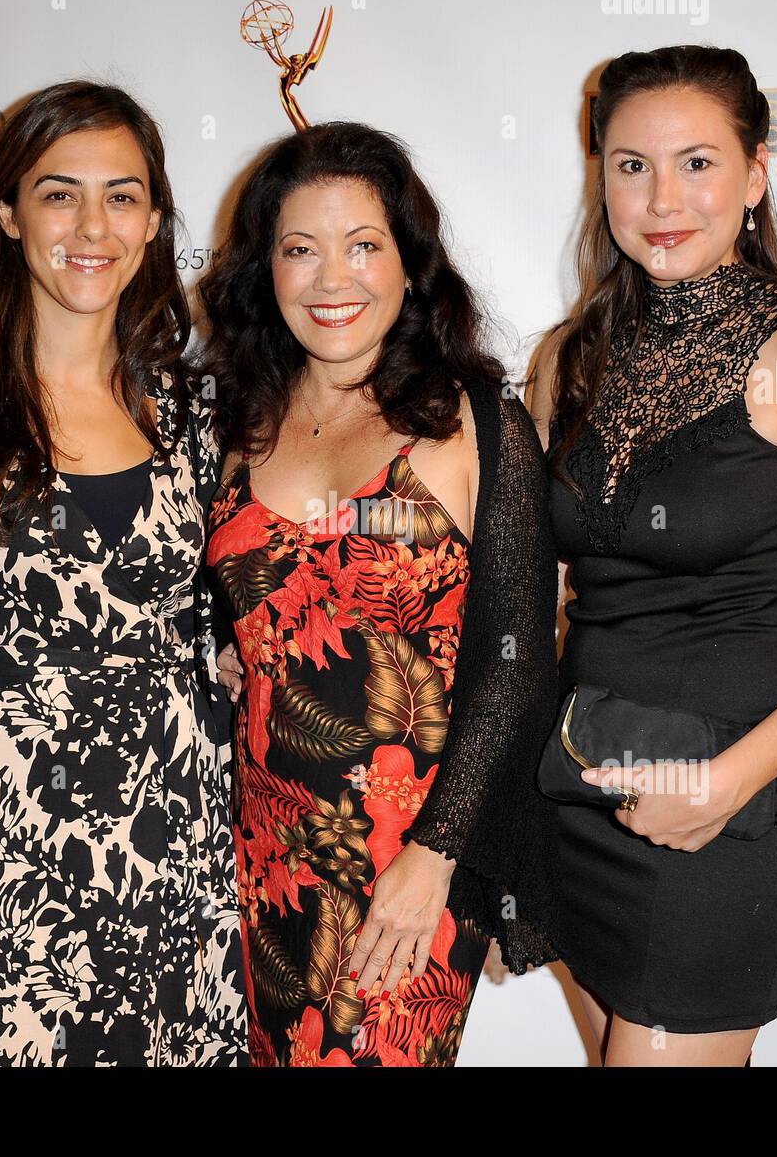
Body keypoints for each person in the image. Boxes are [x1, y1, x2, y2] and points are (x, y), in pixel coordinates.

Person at [527, 45, 777, 1066]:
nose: (662, 198)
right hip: (583, 794)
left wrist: (728, 781)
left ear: (753, 174)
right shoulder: (566, 359)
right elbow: (538, 599)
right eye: (629, 166)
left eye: (696, 162)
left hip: (731, 809)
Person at [0, 80, 245, 1065]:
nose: (92, 226)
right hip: (3, 844)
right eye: (59, 192)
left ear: (153, 221)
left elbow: (207, 621)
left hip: (173, 833)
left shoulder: (193, 404)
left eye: (122, 195)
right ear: (6, 213)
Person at [198, 121, 560, 1066]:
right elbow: (220, 608)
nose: (333, 280)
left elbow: (518, 667)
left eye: (363, 246)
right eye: (300, 250)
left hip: (409, 866)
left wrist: (436, 857)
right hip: (251, 858)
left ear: (410, 265)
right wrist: (222, 650)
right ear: (263, 270)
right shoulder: (237, 423)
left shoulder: (475, 422)